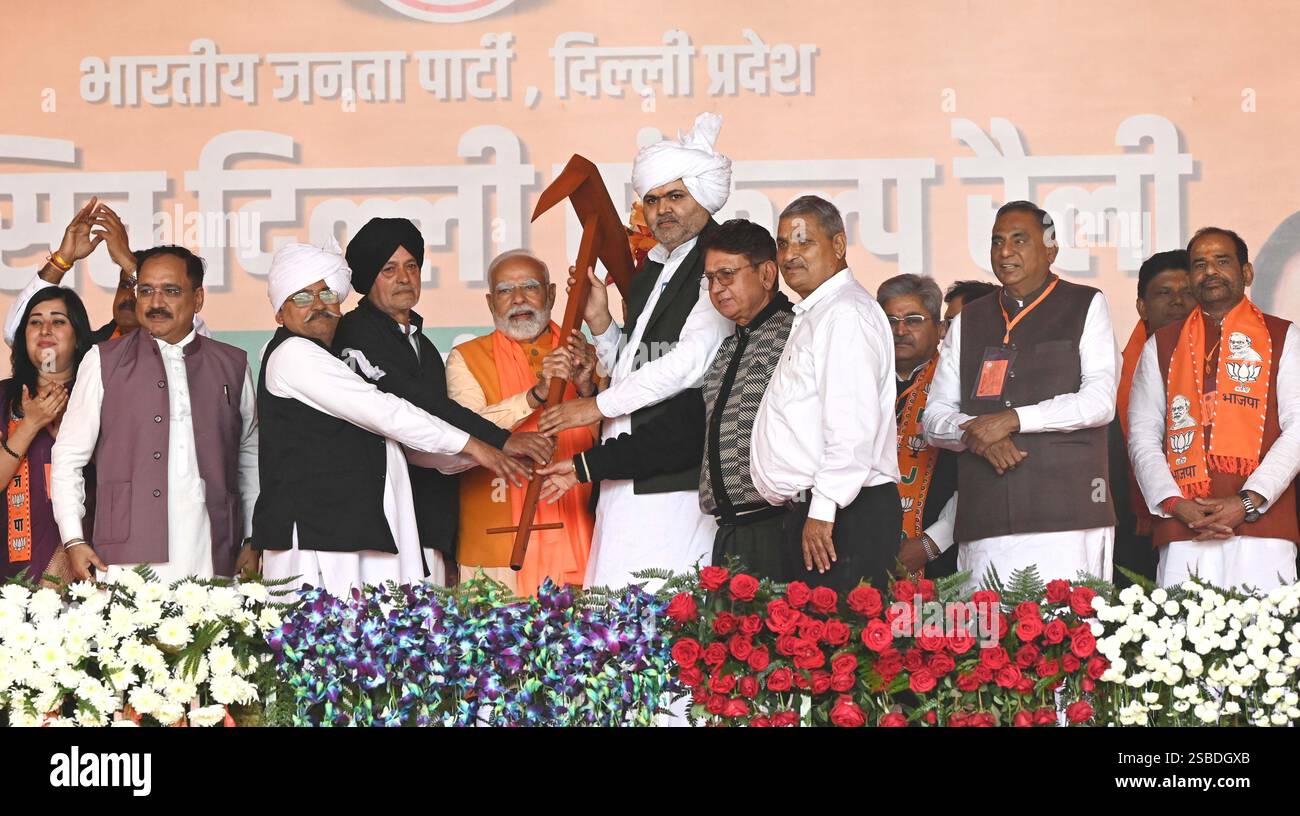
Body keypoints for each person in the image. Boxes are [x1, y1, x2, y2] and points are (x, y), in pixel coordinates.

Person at [254, 241, 530, 597]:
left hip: (356, 532)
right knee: (325, 641)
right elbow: (384, 411)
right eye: (303, 297)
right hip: (318, 537)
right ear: (280, 313)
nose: (319, 305)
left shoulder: (335, 359)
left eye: (327, 294)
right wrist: (477, 445)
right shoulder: (293, 354)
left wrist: (478, 456)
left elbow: (400, 446)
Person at [536, 113, 735, 589]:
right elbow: (631, 366)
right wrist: (602, 323)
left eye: (675, 196)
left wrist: (594, 406)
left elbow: (690, 364)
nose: (662, 209)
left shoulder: (719, 264)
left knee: (663, 618)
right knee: (612, 618)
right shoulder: (651, 271)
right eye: (652, 199)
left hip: (676, 479)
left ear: (704, 197)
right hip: (621, 468)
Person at [537, 219, 796, 581]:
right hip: (733, 532)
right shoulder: (731, 347)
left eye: (727, 275)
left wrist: (823, 513)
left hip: (782, 526)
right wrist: (584, 466)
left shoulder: (793, 337)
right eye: (710, 280)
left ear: (767, 275)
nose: (717, 289)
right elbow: (681, 432)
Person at [332, 217, 552, 582]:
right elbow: (420, 407)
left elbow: (442, 443)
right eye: (389, 269)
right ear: (369, 279)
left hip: (426, 528)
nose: (404, 278)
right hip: (379, 526)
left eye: (412, 266)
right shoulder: (355, 335)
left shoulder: (424, 346)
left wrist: (449, 547)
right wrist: (501, 441)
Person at [924, 201, 1119, 591]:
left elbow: (1100, 401)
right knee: (987, 645)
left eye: (1019, 240)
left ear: (1051, 250)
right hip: (987, 516)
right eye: (997, 242)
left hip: (1067, 517)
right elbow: (934, 419)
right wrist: (976, 435)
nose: (1005, 252)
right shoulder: (969, 319)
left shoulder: (1085, 304)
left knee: (1067, 639)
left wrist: (1012, 421)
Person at [51, 246, 258, 582]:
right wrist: (73, 538)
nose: (155, 302)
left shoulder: (233, 364)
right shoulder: (102, 360)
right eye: (146, 290)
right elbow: (69, 456)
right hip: (125, 558)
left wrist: (251, 537)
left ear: (198, 298)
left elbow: (250, 456)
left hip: (213, 548)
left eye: (171, 291)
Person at [1128, 227, 1300, 591]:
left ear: (1246, 273)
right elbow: (1142, 436)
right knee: (1179, 642)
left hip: (1262, 527)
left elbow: (1297, 427)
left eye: (1222, 261)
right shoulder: (1162, 344)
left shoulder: (1284, 336)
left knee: (1267, 640)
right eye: (1199, 264)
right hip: (1183, 527)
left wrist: (1247, 501)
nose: (1210, 272)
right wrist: (1176, 504)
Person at [751, 196, 900, 593]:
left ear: (837, 245)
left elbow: (852, 426)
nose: (789, 255)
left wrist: (822, 508)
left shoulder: (845, 314)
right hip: (822, 512)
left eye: (803, 242)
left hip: (841, 514)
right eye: (782, 244)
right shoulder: (820, 311)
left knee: (839, 648)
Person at [445, 250, 598, 595]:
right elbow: (461, 432)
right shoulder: (466, 357)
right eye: (504, 291)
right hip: (495, 541)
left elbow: (615, 434)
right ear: (490, 301)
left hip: (579, 528)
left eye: (530, 287)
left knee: (583, 644)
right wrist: (535, 396)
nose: (518, 299)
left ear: (553, 294)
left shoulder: (582, 352)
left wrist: (588, 386)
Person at [4, 198, 208, 347]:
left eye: (140, 287)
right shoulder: (92, 348)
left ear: (196, 299)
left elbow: (187, 335)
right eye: (125, 285)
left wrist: (128, 262)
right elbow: (17, 334)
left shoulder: (192, 342)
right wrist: (61, 262)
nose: (129, 296)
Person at [0, 288, 94, 585]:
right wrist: (30, 425)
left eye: (58, 321)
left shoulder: (100, 396)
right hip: (16, 563)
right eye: (35, 321)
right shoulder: (4, 398)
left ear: (78, 336)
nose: (45, 330)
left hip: (91, 556)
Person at [1111, 251, 1192, 586]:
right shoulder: (1112, 372)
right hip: (1131, 524)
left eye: (1187, 292)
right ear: (1142, 306)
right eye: (1163, 292)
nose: (1177, 302)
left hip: (1207, 516)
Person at [877, 274, 959, 579]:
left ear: (939, 329)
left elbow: (978, 479)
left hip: (942, 552)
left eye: (913, 320)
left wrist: (932, 542)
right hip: (868, 546)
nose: (900, 330)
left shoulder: (957, 384)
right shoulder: (864, 384)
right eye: (890, 320)